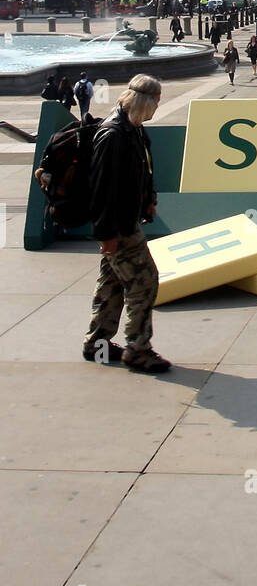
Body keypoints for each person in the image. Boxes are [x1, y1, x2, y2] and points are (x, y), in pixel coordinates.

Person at [83, 75, 170, 374]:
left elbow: (144, 170)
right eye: (156, 102)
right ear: (145, 103)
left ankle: (97, 343)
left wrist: (148, 198)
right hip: (118, 226)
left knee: (111, 284)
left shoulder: (133, 130)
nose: (158, 107)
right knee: (144, 282)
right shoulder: (113, 135)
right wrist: (107, 234)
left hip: (125, 219)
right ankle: (138, 349)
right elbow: (102, 190)